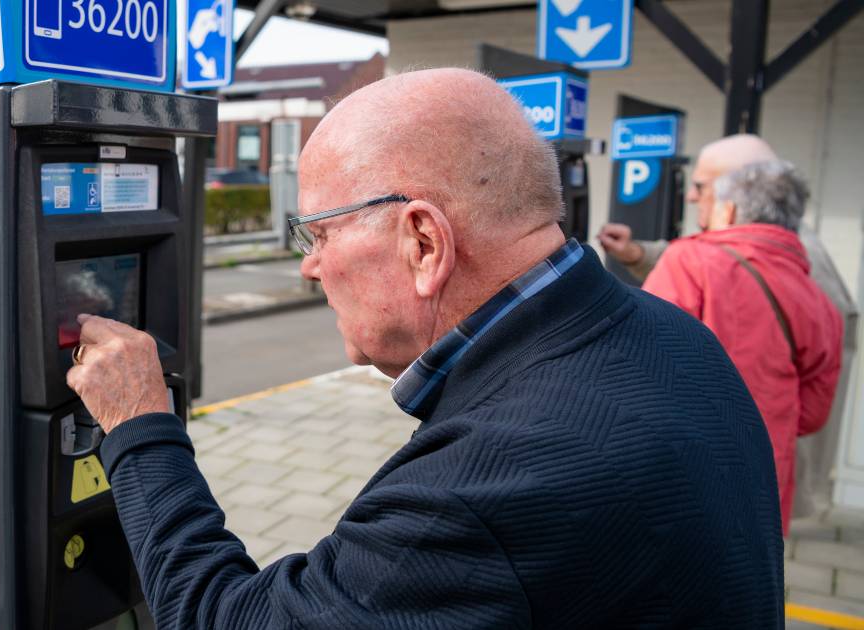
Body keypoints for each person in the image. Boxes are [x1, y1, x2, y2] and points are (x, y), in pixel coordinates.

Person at [65, 69, 783, 628]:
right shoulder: (674, 337)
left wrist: (139, 425)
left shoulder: (484, 487)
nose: (309, 267)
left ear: (423, 241)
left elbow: (228, 619)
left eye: (319, 235)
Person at [599, 135, 858, 524]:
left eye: (701, 188)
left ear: (731, 204)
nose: (692, 198)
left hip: (681, 474)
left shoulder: (689, 262)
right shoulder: (818, 295)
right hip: (768, 476)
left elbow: (637, 372)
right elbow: (813, 415)